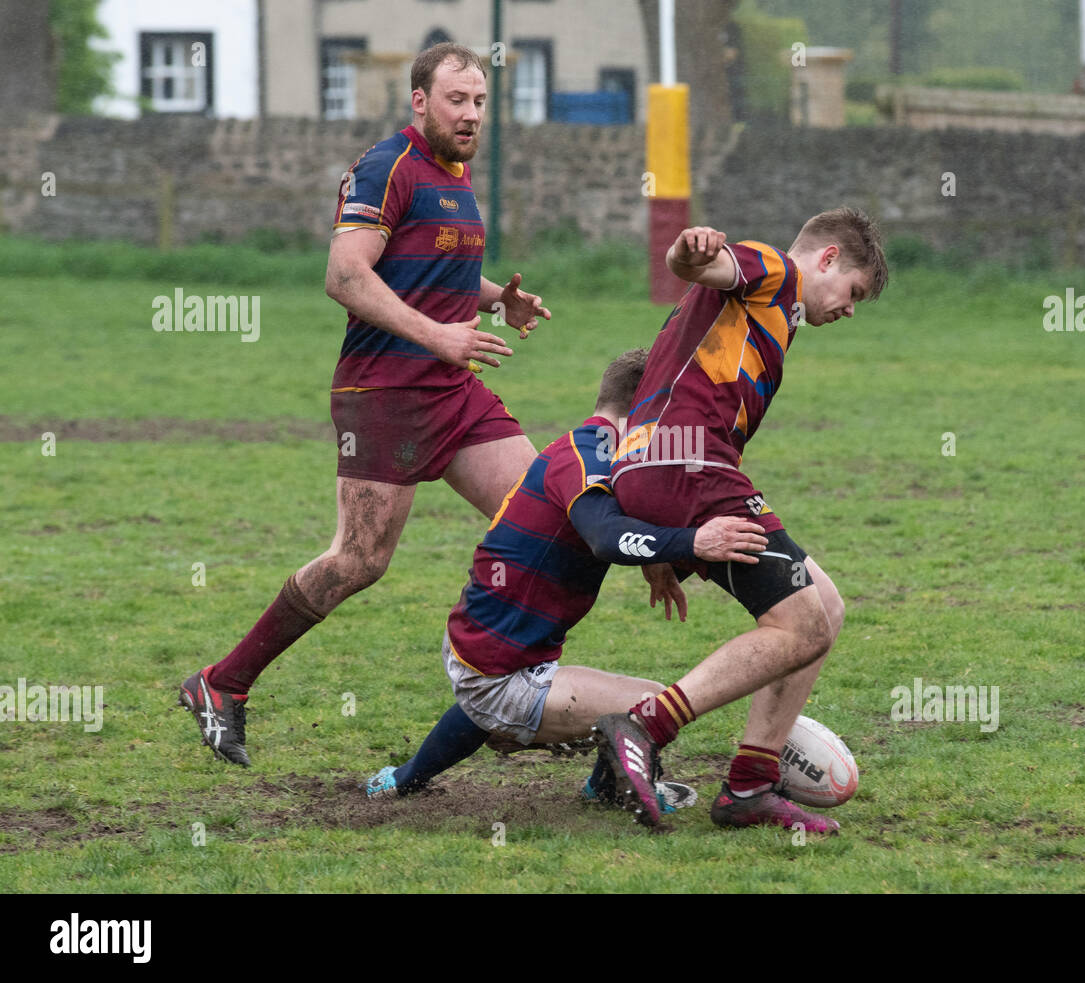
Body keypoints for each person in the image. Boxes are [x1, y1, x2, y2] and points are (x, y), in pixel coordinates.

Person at [179, 43, 550, 766]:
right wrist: (439, 336)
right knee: (358, 560)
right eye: (457, 101)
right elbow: (346, 276)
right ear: (419, 100)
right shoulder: (388, 167)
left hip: (453, 391)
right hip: (384, 396)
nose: (472, 114)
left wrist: (496, 300)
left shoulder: (456, 174)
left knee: (544, 516)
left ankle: (510, 695)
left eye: (479, 102)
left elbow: (427, 269)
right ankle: (221, 683)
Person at [362, 350, 770, 815]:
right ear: (646, 409)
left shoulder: (591, 448)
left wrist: (656, 559)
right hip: (496, 671)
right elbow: (605, 536)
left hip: (481, 647)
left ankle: (404, 778)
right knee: (653, 703)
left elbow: (617, 519)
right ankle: (607, 787)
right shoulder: (589, 457)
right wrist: (695, 540)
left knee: (509, 692)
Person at [595, 208, 889, 832]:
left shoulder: (769, 312)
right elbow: (704, 264)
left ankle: (750, 786)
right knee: (804, 622)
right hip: (689, 468)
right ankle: (643, 728)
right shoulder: (777, 272)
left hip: (671, 471)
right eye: (855, 291)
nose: (850, 308)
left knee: (825, 609)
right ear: (829, 258)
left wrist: (661, 542)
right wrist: (689, 250)